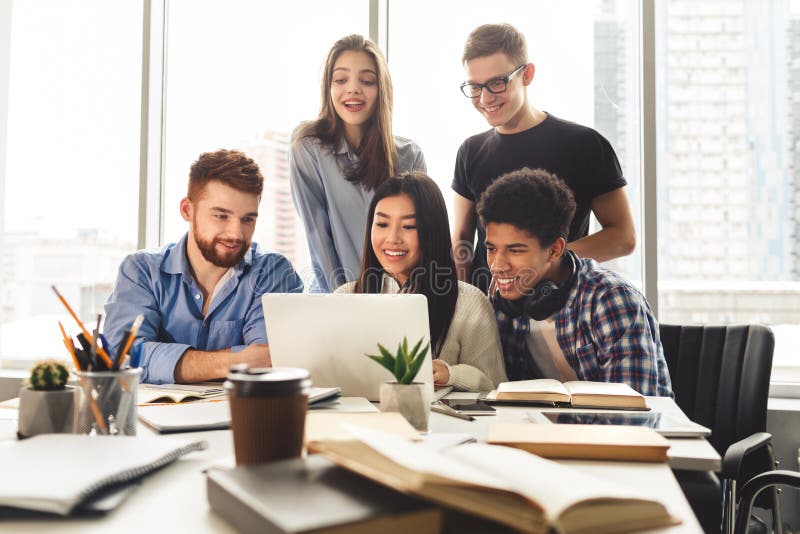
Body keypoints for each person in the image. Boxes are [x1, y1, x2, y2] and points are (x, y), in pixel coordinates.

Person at [452, 23, 636, 292]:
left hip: (563, 309)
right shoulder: (470, 151)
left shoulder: (584, 144)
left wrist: (546, 262)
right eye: (475, 86)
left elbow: (624, 237)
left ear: (527, 74)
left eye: (496, 83)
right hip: (492, 313)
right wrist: (462, 304)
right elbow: (462, 239)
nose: (485, 97)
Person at [104, 149, 303, 384]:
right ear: (187, 210)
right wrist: (237, 360)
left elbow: (270, 362)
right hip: (153, 417)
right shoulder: (141, 271)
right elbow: (123, 359)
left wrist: (163, 359)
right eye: (221, 216)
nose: (236, 234)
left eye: (248, 219)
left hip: (241, 415)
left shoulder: (273, 272)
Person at [477, 167, 671, 397]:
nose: (497, 265)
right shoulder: (502, 301)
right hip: (540, 429)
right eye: (491, 249)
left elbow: (630, 413)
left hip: (621, 431)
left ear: (555, 250)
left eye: (515, 250)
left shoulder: (610, 299)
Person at [336, 172, 507, 392]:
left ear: (432, 231)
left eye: (408, 227)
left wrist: (451, 374)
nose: (392, 238)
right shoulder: (345, 297)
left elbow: (495, 386)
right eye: (382, 224)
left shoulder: (470, 303)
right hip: (359, 422)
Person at [291, 34, 426, 293]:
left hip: (398, 298)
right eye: (341, 80)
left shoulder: (410, 155)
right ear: (328, 88)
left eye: (366, 81)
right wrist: (346, 303)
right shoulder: (307, 147)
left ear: (381, 90)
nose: (353, 89)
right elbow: (317, 236)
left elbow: (419, 241)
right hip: (336, 298)